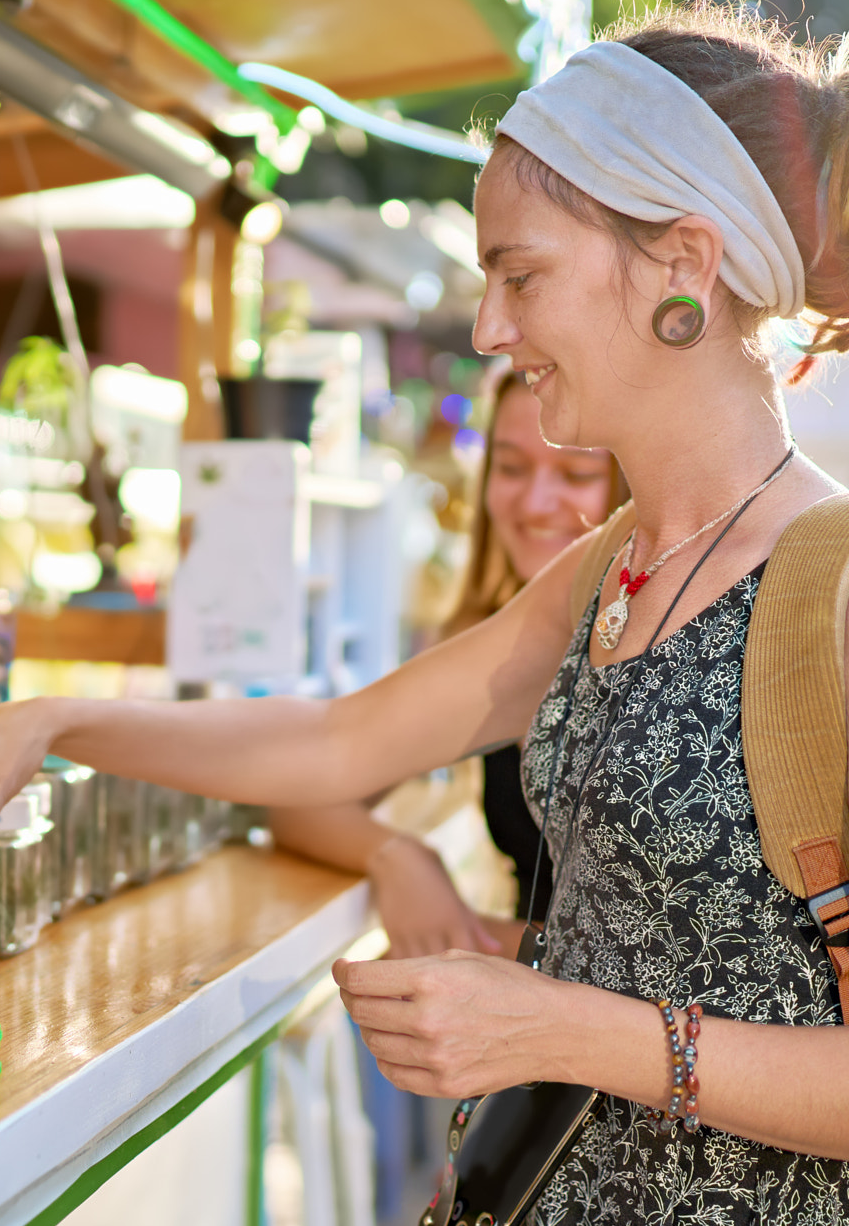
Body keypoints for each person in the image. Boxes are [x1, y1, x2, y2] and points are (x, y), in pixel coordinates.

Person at [0, 0, 849, 1226]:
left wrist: (567, 1029)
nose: (492, 327)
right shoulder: (610, 571)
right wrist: (55, 722)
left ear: (682, 267)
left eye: (522, 274)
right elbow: (342, 745)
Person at [266, 367, 626, 959]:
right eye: (511, 467)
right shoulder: (486, 639)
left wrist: (474, 943)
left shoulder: (678, 647)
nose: (537, 501)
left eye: (576, 473)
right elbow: (302, 795)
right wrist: (397, 856)